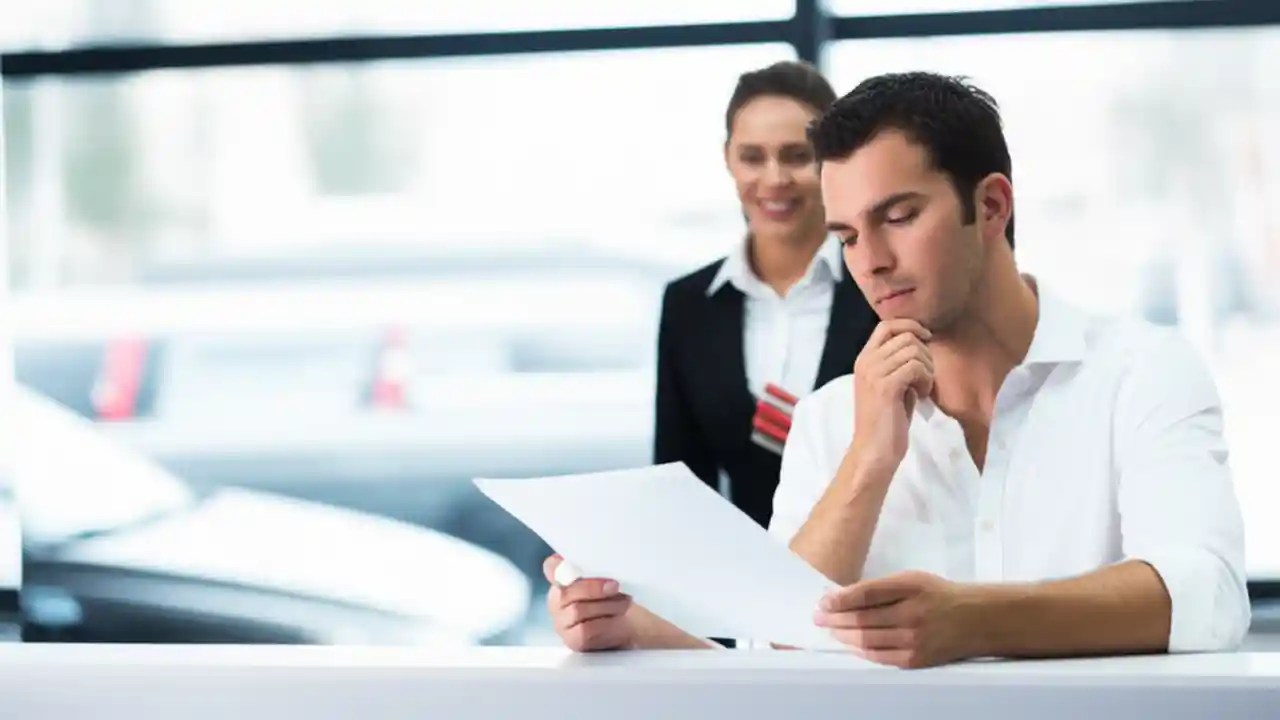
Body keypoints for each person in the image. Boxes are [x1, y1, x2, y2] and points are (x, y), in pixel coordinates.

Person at [543, 72, 1250, 666]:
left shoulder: (1141, 373)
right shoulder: (831, 417)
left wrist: (972, 620)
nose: (870, 261)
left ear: (992, 204)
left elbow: (1206, 596)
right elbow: (775, 649)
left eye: (900, 216)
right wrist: (870, 459)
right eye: (848, 235)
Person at [655, 60, 878, 530]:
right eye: (753, 157)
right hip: (742, 582)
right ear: (728, 158)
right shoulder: (689, 305)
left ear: (831, 158)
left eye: (797, 155)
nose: (774, 179)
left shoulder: (883, 288)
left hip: (879, 571)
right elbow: (678, 484)